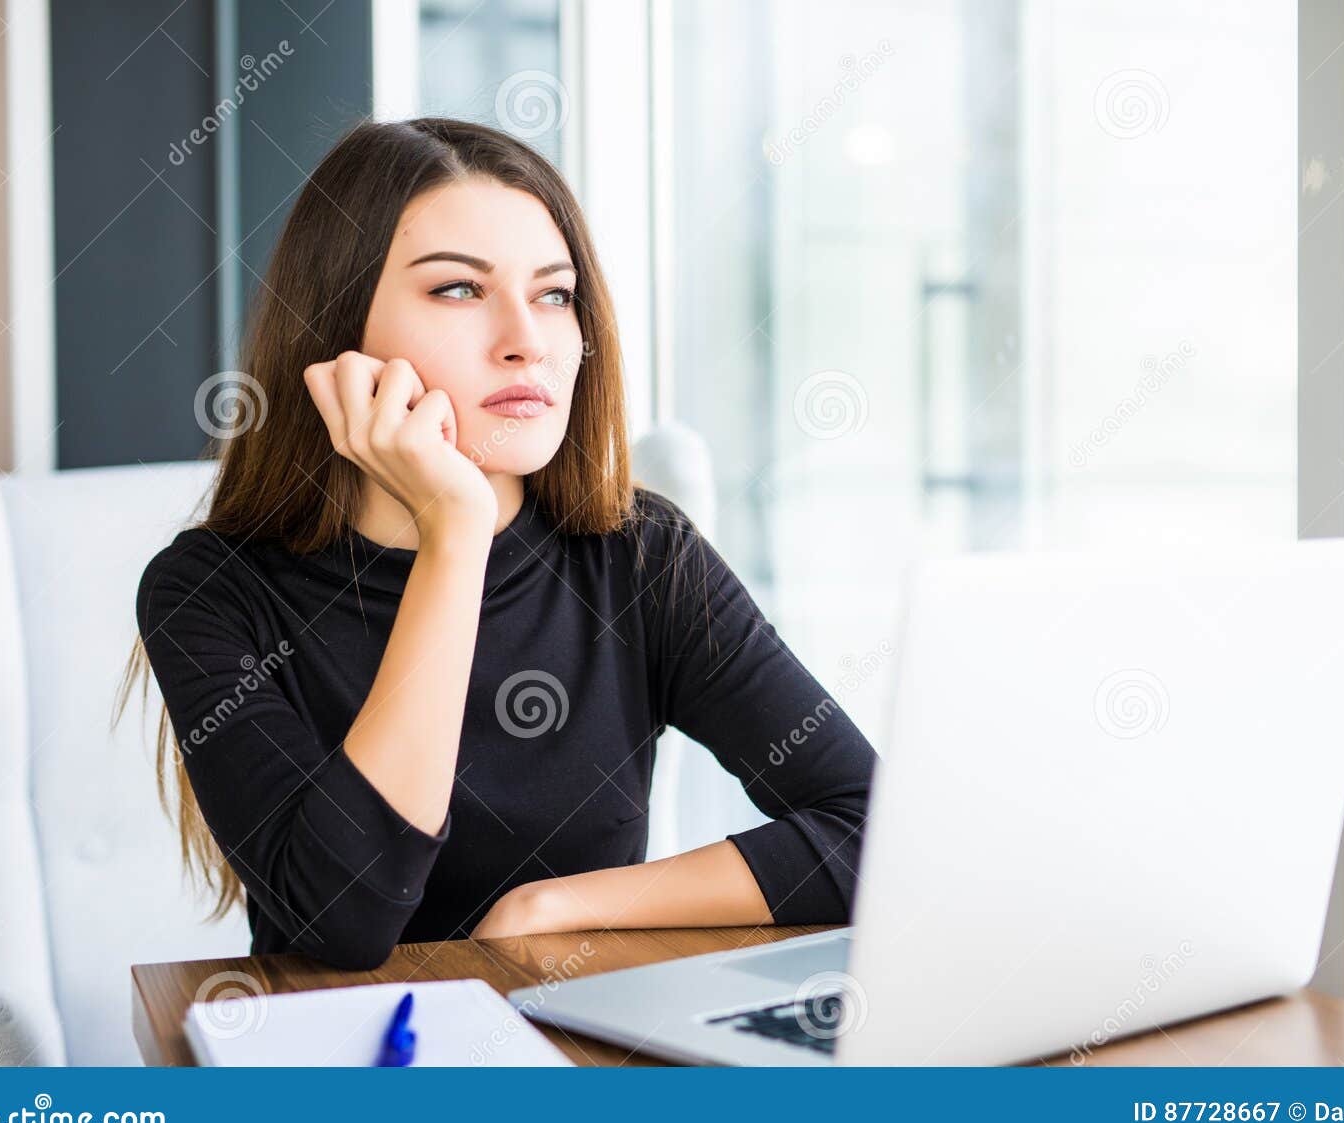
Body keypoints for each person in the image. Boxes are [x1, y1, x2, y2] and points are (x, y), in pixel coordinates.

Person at [119, 117, 876, 971]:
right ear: (337, 328)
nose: (527, 338)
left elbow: (875, 829)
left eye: (555, 294)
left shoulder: (641, 557)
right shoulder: (209, 592)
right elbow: (345, 919)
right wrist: (455, 533)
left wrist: (558, 904)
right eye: (458, 290)